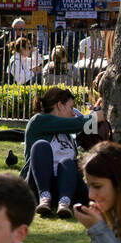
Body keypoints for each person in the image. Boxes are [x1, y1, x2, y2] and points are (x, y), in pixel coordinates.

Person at [21, 87, 95, 219]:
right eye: (71, 107)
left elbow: (90, 133)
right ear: (60, 105)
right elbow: (78, 124)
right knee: (41, 146)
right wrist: (94, 118)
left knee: (68, 162)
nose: (73, 113)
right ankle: (44, 197)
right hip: (38, 183)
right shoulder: (39, 120)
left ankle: (64, 202)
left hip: (65, 186)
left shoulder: (67, 135)